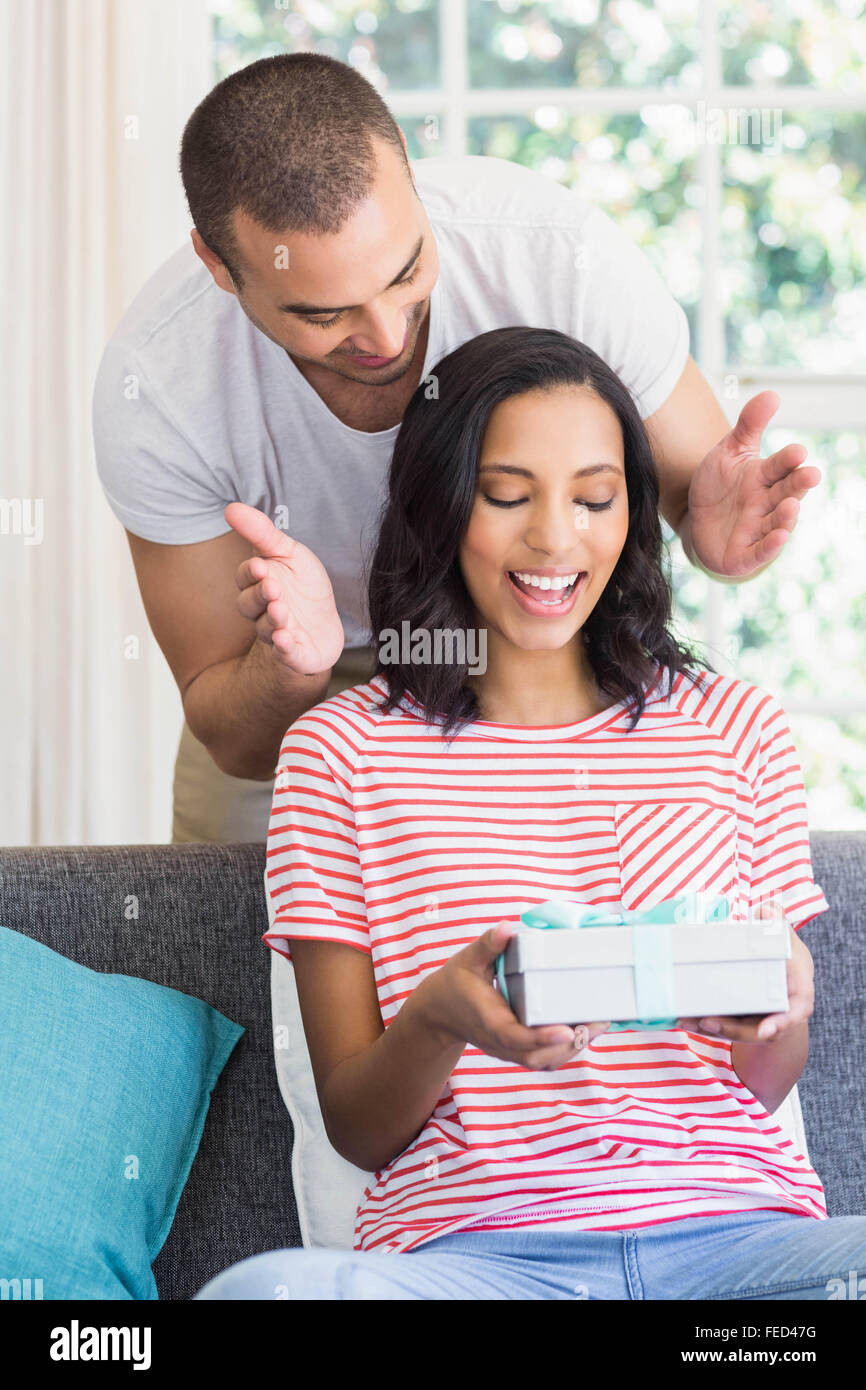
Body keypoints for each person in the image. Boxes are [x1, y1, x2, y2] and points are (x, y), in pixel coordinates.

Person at [194, 326, 863, 1300]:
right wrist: (437, 1018)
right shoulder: (341, 755)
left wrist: (778, 1011)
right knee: (260, 1296)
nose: (555, 538)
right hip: (483, 1265)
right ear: (442, 504)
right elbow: (358, 1123)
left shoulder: (734, 726)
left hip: (738, 1251)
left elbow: (756, 1086)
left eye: (593, 499)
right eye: (508, 496)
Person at [91, 53, 820, 844]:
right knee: (216, 940)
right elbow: (232, 736)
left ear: (407, 163)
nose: (387, 334)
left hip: (533, 645)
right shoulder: (159, 386)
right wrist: (292, 666)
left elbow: (690, 504)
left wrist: (702, 530)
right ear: (220, 266)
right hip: (313, 671)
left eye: (406, 273)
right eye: (324, 315)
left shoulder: (558, 257)